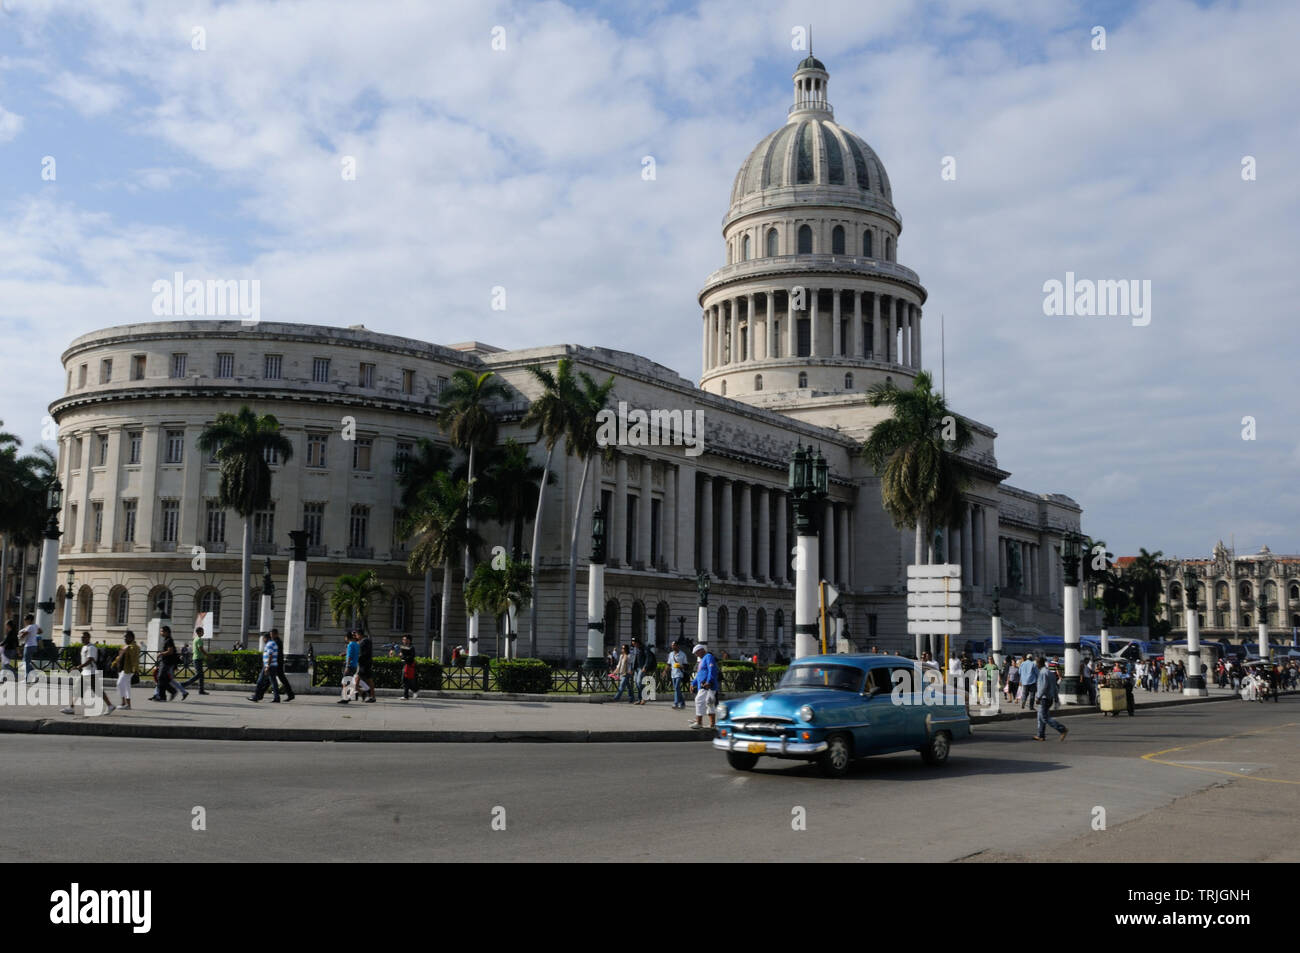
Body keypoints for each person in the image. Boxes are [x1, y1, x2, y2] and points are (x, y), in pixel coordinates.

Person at [61, 631, 115, 716]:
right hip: (85, 672)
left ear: (88, 638)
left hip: (91, 673)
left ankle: (110, 705)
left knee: (97, 691)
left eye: (84, 637)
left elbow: (90, 660)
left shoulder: (91, 648)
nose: (82, 639)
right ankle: (71, 708)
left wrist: (79, 667)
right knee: (78, 689)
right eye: (82, 637)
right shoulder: (84, 647)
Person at [150, 626, 188, 701]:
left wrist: (161, 654)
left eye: (162, 631)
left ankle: (161, 696)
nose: (161, 633)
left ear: (166, 632)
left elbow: (170, 651)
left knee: (161, 678)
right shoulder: (166, 640)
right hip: (165, 662)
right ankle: (161, 695)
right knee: (164, 679)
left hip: (167, 663)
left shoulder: (169, 640)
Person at [1032, 661, 1067, 741]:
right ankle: (1041, 735)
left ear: (1039, 664)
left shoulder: (1042, 673)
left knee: (1044, 717)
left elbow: (1043, 686)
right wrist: (1056, 698)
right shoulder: (1050, 673)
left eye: (1036, 664)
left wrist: (1038, 697)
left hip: (1044, 698)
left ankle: (1062, 729)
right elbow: (1054, 687)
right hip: (1049, 698)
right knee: (1040, 717)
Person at [690, 643, 719, 730]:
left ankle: (699, 722)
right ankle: (712, 724)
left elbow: (712, 670)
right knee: (709, 703)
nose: (696, 655)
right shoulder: (702, 660)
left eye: (696, 653)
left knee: (699, 700)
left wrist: (709, 681)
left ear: (701, 650)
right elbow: (699, 674)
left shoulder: (708, 657)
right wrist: (693, 683)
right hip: (703, 685)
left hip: (707, 685)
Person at [248, 631, 281, 702]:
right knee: (273, 682)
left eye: (263, 638)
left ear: (266, 638)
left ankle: (256, 696)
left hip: (269, 666)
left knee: (260, 681)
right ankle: (276, 697)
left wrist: (267, 666)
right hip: (272, 665)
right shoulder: (273, 643)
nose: (263, 640)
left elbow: (270, 655)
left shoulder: (269, 644)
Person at [113, 631, 139, 710]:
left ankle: (124, 703)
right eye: (124, 637)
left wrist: (135, 669)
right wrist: (114, 662)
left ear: (132, 638)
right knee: (126, 686)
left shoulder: (133, 647)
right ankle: (128, 705)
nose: (124, 638)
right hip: (123, 669)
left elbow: (134, 659)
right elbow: (120, 656)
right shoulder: (127, 646)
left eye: (126, 637)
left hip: (128, 670)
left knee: (120, 683)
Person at [268, 628, 295, 701]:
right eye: (270, 634)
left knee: (272, 679)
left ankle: (259, 694)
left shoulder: (276, 642)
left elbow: (273, 653)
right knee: (281, 679)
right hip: (278, 663)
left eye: (272, 634)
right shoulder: (277, 641)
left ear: (276, 634)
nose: (271, 635)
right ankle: (290, 694)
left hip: (276, 663)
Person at [180, 626, 209, 694]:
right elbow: (200, 649)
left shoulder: (196, 639)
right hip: (197, 659)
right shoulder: (199, 639)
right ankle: (184, 684)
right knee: (198, 675)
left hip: (197, 658)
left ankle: (201, 690)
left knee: (201, 675)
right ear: (199, 632)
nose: (203, 633)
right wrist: (207, 655)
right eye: (202, 631)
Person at [339, 630, 361, 704]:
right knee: (349, 682)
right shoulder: (357, 644)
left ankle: (345, 698)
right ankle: (349, 697)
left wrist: (347, 666)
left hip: (350, 665)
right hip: (354, 666)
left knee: (344, 682)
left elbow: (350, 656)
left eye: (345, 637)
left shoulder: (350, 644)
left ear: (347, 637)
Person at [666, 641, 689, 710]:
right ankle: (682, 703)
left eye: (674, 645)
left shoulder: (682, 654)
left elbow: (686, 665)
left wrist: (680, 666)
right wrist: (665, 671)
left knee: (676, 688)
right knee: (677, 689)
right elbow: (669, 664)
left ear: (678, 646)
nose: (673, 646)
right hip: (673, 674)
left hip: (680, 673)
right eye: (672, 645)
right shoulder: (670, 654)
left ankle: (676, 703)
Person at [19, 613, 41, 681]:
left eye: (26, 619)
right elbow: (41, 631)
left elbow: (23, 635)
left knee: (26, 663)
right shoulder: (35, 626)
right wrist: (33, 634)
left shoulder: (30, 627)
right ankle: (35, 675)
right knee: (26, 662)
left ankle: (27, 678)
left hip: (29, 646)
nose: (25, 621)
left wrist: (19, 636)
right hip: (34, 645)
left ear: (30, 620)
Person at [357, 628, 375, 702]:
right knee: (358, 680)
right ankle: (366, 694)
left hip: (365, 664)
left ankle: (371, 696)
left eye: (356, 635)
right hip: (364, 663)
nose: (356, 637)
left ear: (359, 635)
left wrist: (357, 658)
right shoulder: (364, 641)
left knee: (368, 680)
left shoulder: (365, 641)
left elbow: (364, 653)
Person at [398, 634, 418, 699]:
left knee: (405, 680)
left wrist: (402, 656)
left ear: (409, 640)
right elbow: (401, 655)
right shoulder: (403, 647)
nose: (403, 641)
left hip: (409, 665)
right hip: (405, 665)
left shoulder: (411, 647)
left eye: (405, 639)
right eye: (403, 639)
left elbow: (411, 657)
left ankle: (412, 692)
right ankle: (410, 693)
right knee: (405, 680)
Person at [637, 640, 656, 705]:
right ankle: (641, 699)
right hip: (638, 668)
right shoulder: (638, 649)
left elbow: (648, 658)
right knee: (638, 683)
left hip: (642, 668)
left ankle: (644, 697)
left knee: (640, 682)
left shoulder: (645, 649)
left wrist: (645, 667)